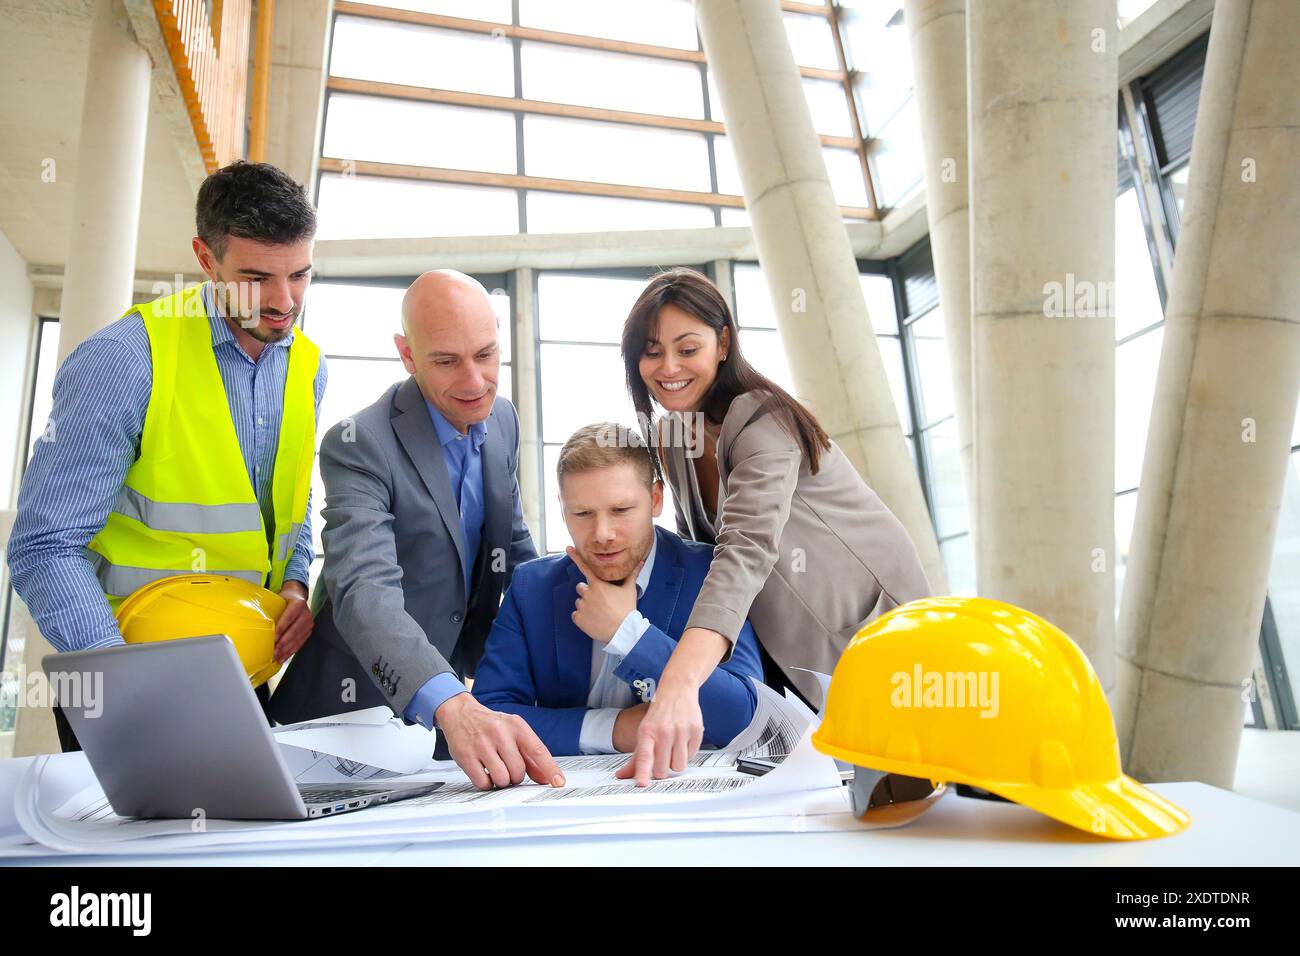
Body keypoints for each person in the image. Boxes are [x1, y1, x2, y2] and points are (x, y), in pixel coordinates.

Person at [7, 161, 325, 752]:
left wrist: (297, 583)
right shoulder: (125, 361)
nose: (285, 303)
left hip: (241, 671)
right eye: (257, 278)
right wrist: (121, 681)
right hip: (121, 677)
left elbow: (291, 498)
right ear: (206, 260)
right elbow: (42, 546)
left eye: (300, 275)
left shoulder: (307, 366)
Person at [616, 267, 932, 785]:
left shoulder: (763, 417)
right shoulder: (675, 436)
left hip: (866, 628)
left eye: (686, 348)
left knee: (904, 793)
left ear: (722, 344)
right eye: (652, 351)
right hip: (785, 644)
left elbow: (745, 551)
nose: (668, 366)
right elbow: (699, 559)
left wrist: (677, 685)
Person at [269, 270, 562, 791]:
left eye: (486, 354)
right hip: (344, 715)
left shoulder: (504, 421)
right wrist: (449, 702)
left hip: (451, 718)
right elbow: (363, 593)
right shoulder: (360, 443)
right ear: (407, 355)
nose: (474, 382)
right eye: (446, 361)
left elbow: (515, 554)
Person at [472, 423, 763, 757]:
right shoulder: (530, 588)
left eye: (621, 510)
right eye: (582, 513)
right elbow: (489, 717)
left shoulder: (710, 574)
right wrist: (618, 729)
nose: (602, 534)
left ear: (655, 499)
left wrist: (629, 633)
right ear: (562, 507)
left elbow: (745, 717)